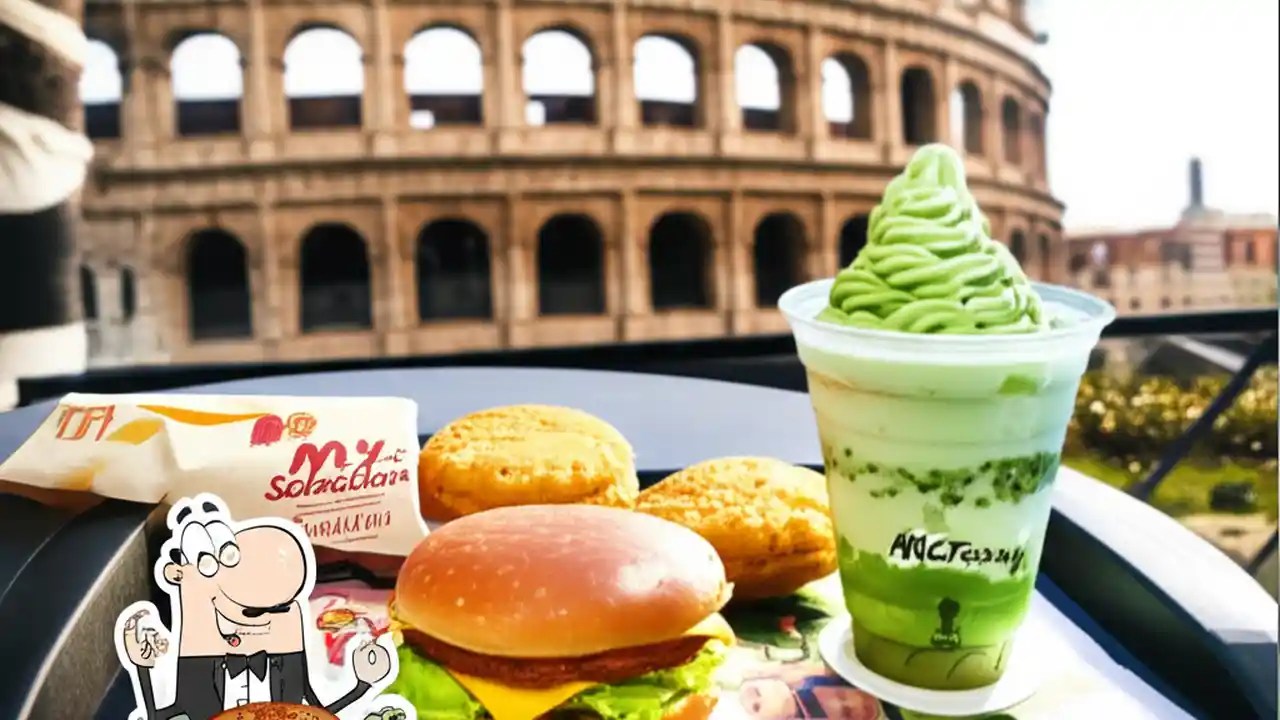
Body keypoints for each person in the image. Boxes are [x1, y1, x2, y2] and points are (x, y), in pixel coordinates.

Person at [117, 495, 392, 719]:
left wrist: (363, 685)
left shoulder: (293, 662)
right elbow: (163, 713)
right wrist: (143, 665)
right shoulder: (194, 665)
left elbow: (318, 710)